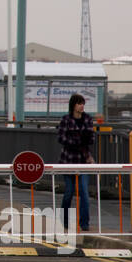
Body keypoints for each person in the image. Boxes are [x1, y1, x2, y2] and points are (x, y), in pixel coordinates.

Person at [57, 93, 95, 232]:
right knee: (69, 192)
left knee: (84, 193)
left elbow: (91, 138)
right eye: (79, 103)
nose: (81, 106)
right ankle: (64, 221)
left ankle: (84, 223)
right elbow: (61, 138)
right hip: (68, 160)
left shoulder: (88, 120)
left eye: (83, 103)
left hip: (83, 161)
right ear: (73, 105)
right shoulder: (66, 120)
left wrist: (79, 140)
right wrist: (77, 141)